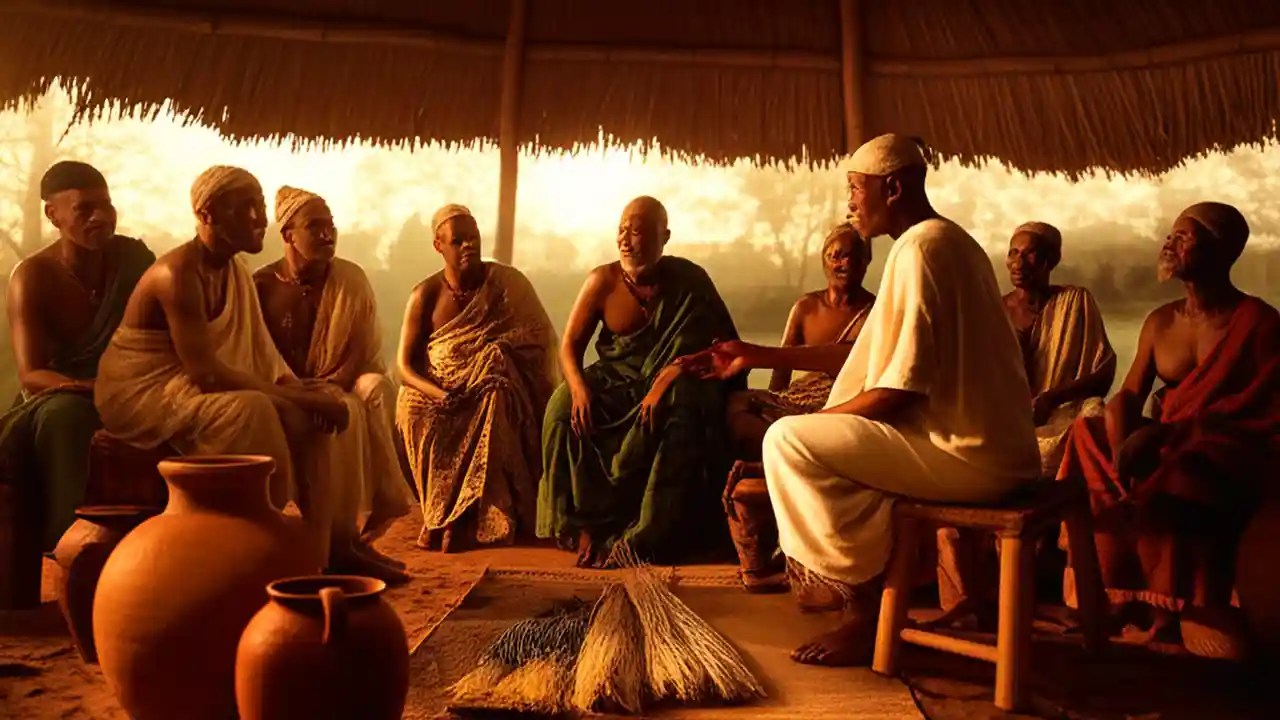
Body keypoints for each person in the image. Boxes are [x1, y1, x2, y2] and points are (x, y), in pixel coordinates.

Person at [704, 135, 1039, 666]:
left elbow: (899, 390)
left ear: (893, 187)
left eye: (856, 189)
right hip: (990, 452)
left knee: (789, 441)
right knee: (809, 440)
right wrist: (755, 353)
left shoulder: (921, 249)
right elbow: (861, 355)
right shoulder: (946, 241)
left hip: (970, 457)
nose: (850, 203)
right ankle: (865, 587)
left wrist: (818, 426)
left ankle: (859, 609)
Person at [94, 166, 350, 569]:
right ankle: (263, 540)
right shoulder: (176, 273)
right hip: (143, 393)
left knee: (310, 417)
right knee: (253, 410)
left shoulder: (236, 272)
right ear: (207, 214)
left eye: (260, 205)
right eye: (244, 207)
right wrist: (295, 395)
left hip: (197, 381)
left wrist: (309, 395)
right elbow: (207, 375)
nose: (258, 218)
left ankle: (319, 558)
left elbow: (261, 357)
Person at [1057, 202, 1279, 655]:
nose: (1168, 244)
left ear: (1221, 250)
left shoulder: (1259, 322)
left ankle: (1183, 604)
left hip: (1224, 447)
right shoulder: (1161, 321)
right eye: (1170, 234)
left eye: (1184, 236)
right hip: (1167, 441)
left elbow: (1265, 412)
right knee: (1085, 434)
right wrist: (1123, 449)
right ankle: (1116, 589)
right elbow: (1130, 395)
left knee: (1190, 463)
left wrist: (1166, 435)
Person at [537, 196, 743, 568]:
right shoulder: (602, 281)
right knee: (560, 407)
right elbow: (568, 346)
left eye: (638, 231)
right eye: (621, 229)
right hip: (613, 381)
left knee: (681, 403)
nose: (626, 239)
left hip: (672, 382)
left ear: (664, 237)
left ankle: (647, 532)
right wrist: (581, 388)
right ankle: (581, 525)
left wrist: (667, 376)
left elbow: (718, 348)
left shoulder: (689, 280)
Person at [935, 221, 1116, 625]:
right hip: (1006, 417)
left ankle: (1050, 589)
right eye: (1013, 252)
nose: (1019, 262)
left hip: (1058, 416)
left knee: (1085, 426)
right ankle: (975, 600)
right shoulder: (993, 310)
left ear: (1052, 260)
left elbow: (1103, 370)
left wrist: (1054, 396)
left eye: (1031, 253)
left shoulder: (1075, 303)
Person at [254, 186, 415, 582]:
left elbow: (359, 352)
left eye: (331, 226)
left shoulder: (350, 278)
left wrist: (331, 387)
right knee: (326, 419)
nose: (328, 234)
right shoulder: (259, 285)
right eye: (315, 226)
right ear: (288, 234)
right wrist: (302, 392)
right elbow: (256, 356)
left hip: (340, 379)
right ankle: (336, 546)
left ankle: (360, 529)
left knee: (376, 389)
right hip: (283, 388)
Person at [0, 161, 155, 549]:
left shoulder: (134, 261)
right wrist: (94, 388)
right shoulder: (33, 276)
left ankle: (165, 545)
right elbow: (33, 375)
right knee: (68, 416)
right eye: (84, 209)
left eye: (106, 205)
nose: (100, 217)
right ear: (53, 214)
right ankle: (68, 547)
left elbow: (161, 338)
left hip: (129, 389)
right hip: (58, 397)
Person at [395, 204, 557, 552]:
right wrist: (438, 394)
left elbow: (538, 336)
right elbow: (404, 367)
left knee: (496, 393)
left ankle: (473, 518)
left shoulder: (507, 283)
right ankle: (440, 516)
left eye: (473, 238)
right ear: (439, 246)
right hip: (436, 390)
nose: (468, 246)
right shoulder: (424, 294)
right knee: (412, 409)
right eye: (458, 241)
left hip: (491, 385)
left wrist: (495, 354)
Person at [723, 222, 876, 458]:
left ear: (867, 262)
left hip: (837, 407)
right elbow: (782, 368)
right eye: (836, 256)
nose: (844, 263)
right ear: (824, 260)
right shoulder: (806, 307)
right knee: (734, 406)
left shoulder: (874, 312)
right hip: (795, 400)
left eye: (853, 258)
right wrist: (772, 402)